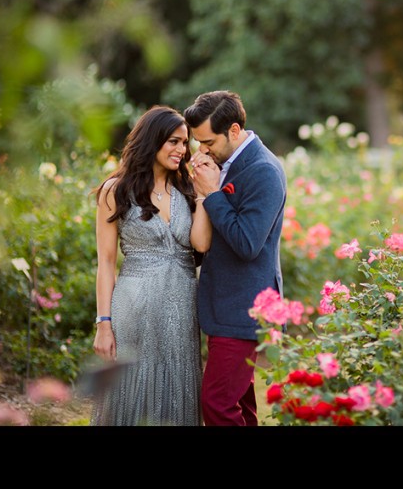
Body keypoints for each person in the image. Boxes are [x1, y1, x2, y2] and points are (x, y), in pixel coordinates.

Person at [91, 105, 212, 426]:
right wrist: (104, 323)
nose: (181, 149)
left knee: (178, 387)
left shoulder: (187, 189)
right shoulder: (115, 191)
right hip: (134, 306)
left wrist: (203, 196)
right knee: (129, 388)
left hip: (182, 307)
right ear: (152, 140)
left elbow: (201, 244)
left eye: (185, 143)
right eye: (173, 141)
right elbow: (105, 262)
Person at [184, 90, 287, 426]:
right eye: (198, 142)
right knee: (240, 405)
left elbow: (246, 243)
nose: (202, 150)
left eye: (208, 141)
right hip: (224, 305)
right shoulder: (224, 163)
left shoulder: (263, 171)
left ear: (233, 130)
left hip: (245, 308)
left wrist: (212, 193)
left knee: (216, 403)